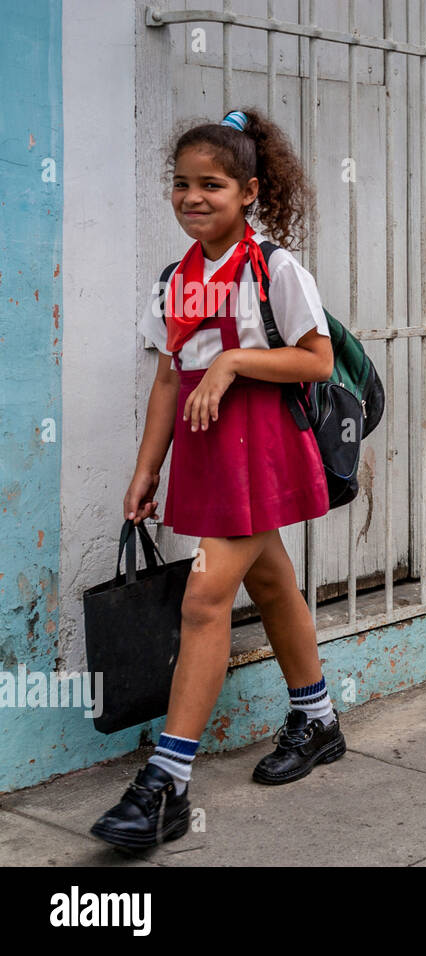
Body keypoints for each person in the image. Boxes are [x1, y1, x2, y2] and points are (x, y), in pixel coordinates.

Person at [92, 109, 338, 848]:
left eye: (212, 184)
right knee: (271, 583)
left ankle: (165, 783)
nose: (193, 197)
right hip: (205, 454)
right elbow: (169, 380)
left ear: (250, 191)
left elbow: (316, 358)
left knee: (204, 598)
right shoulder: (175, 280)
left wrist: (232, 362)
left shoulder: (275, 268)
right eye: (181, 184)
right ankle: (319, 718)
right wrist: (144, 472)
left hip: (257, 449)